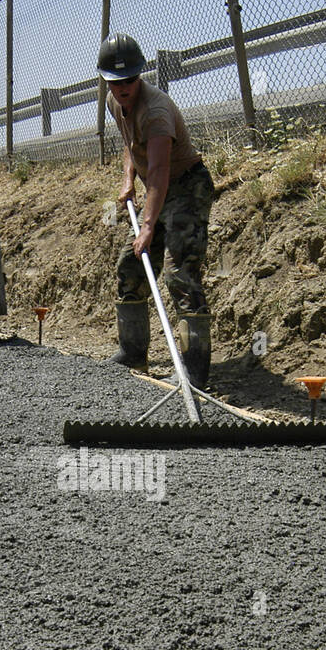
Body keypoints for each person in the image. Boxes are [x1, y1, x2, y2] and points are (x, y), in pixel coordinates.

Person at [99, 33, 215, 388]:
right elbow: (131, 146)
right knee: (130, 265)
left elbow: (162, 172)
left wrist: (148, 226)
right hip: (155, 186)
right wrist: (127, 180)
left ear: (140, 76)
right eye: (116, 82)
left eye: (130, 80)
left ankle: (194, 369)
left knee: (179, 272)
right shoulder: (113, 101)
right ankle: (133, 352)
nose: (123, 88)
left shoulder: (157, 111)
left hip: (186, 187)